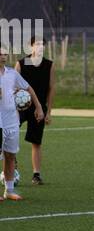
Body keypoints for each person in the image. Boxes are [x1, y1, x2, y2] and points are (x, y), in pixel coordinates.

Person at [0, 43, 44, 202]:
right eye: (0, 54)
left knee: (10, 156)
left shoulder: (12, 74)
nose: (3, 56)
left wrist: (38, 107)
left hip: (12, 121)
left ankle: (9, 190)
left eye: (4, 53)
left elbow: (28, 88)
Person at [16, 33, 55, 185]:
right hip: (20, 107)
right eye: (37, 44)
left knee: (36, 142)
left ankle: (36, 174)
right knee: (8, 135)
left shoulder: (49, 65)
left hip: (39, 109)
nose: (40, 47)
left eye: (42, 44)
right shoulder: (21, 64)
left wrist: (48, 112)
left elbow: (52, 88)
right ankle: (12, 164)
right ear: (30, 47)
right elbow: (12, 86)